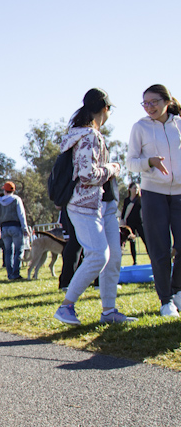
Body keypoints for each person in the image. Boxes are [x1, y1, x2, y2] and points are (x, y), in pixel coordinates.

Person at [53, 88, 136, 325]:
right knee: (99, 255)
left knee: (113, 257)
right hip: (85, 204)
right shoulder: (90, 136)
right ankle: (66, 305)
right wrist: (113, 168)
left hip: (101, 203)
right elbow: (88, 174)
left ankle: (109, 311)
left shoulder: (81, 134)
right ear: (106, 109)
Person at [126, 84, 181, 317]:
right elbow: (131, 163)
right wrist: (150, 162)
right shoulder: (140, 127)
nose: (149, 107)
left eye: (154, 102)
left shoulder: (179, 124)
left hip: (180, 193)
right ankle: (166, 300)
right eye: (145, 103)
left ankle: (177, 290)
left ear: (167, 101)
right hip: (153, 194)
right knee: (159, 249)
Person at [0, 182, 31, 280]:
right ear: (13, 190)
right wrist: (25, 228)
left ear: (5, 190)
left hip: (4, 228)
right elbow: (21, 215)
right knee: (19, 250)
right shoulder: (16, 199)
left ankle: (10, 274)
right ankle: (16, 273)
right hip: (16, 227)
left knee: (8, 251)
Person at [120, 182, 148, 265]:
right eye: (134, 188)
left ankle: (152, 259)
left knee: (145, 240)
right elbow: (124, 212)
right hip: (130, 224)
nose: (136, 190)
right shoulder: (127, 200)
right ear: (130, 189)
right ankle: (134, 261)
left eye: (137, 188)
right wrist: (122, 222)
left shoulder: (140, 199)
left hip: (139, 223)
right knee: (132, 242)